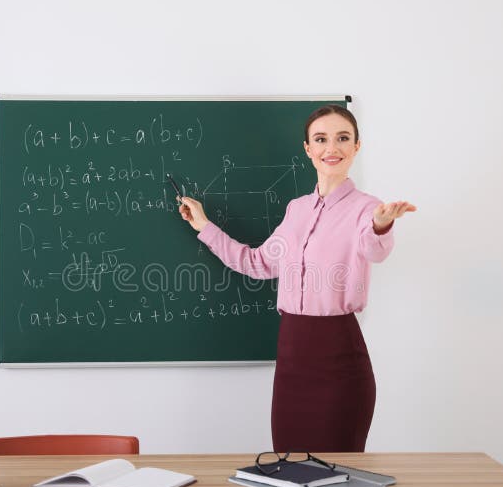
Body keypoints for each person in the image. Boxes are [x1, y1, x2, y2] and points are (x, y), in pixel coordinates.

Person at [178, 104, 416, 453]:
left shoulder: (368, 208)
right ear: (308, 149)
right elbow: (257, 263)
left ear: (356, 147)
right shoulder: (296, 210)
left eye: (342, 138)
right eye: (321, 139)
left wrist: (382, 225)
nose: (331, 148)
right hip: (292, 355)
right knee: (288, 468)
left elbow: (375, 250)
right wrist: (204, 226)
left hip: (339, 355)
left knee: (338, 472)